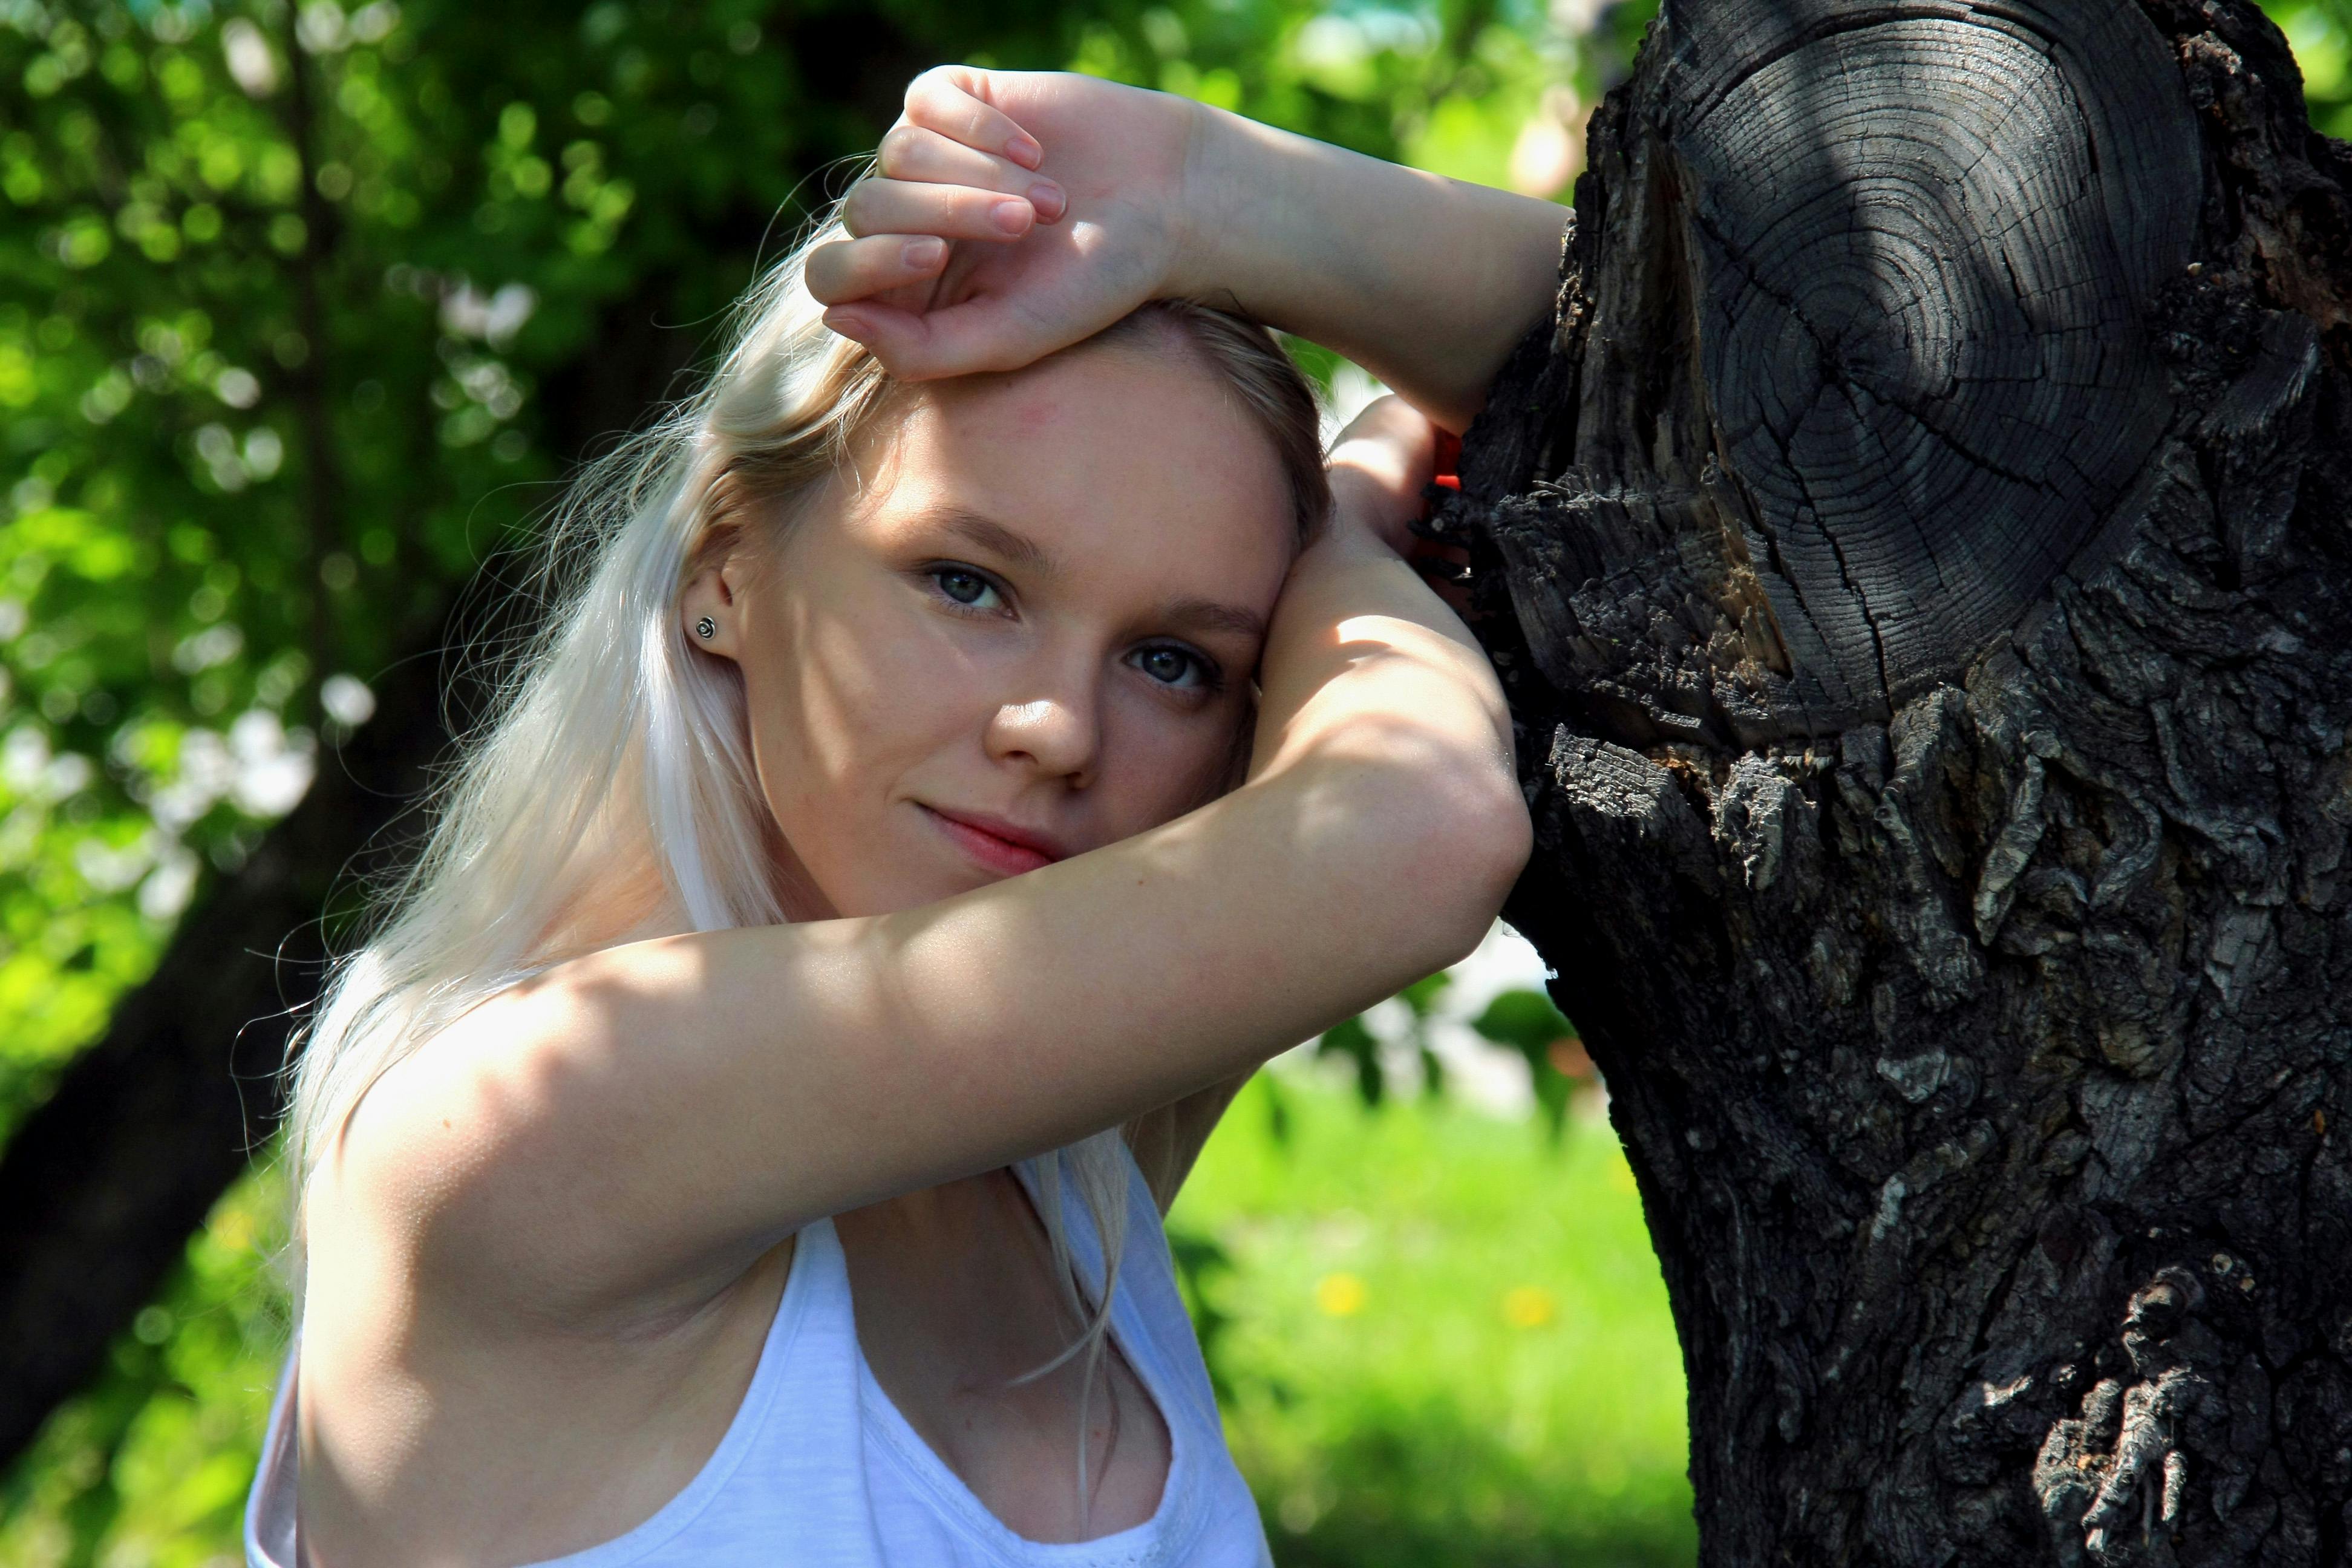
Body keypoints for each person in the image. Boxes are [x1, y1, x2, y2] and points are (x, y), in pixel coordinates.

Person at [244, 67, 1567, 1568]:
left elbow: (1626, 375)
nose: (1062, 729)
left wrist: (1207, 190)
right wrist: (1328, 519)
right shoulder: (520, 1119)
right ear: (723, 569)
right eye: (970, 584)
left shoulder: (1059, 1145)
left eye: (1175, 659)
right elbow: (1417, 835)